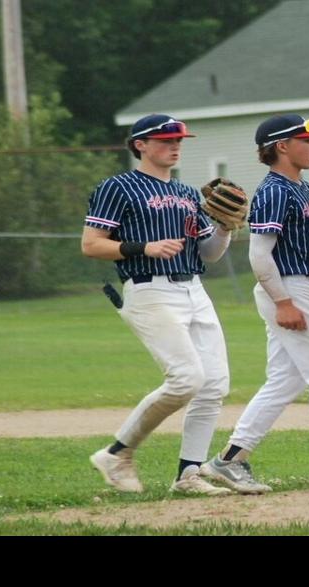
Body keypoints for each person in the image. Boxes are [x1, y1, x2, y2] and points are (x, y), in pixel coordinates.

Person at [198, 114, 309, 494]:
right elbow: (259, 254)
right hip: (287, 285)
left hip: (299, 286)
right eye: (307, 139)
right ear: (282, 146)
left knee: (286, 379)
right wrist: (283, 302)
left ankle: (230, 460)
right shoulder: (273, 192)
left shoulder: (301, 189)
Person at [82, 114, 235, 495]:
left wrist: (226, 227)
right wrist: (143, 247)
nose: (175, 144)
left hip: (193, 289)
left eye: (178, 138)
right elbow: (90, 244)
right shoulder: (118, 187)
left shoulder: (186, 193)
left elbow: (210, 254)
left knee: (214, 384)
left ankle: (189, 475)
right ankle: (117, 453)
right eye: (165, 139)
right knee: (186, 379)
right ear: (141, 145)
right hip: (150, 290)